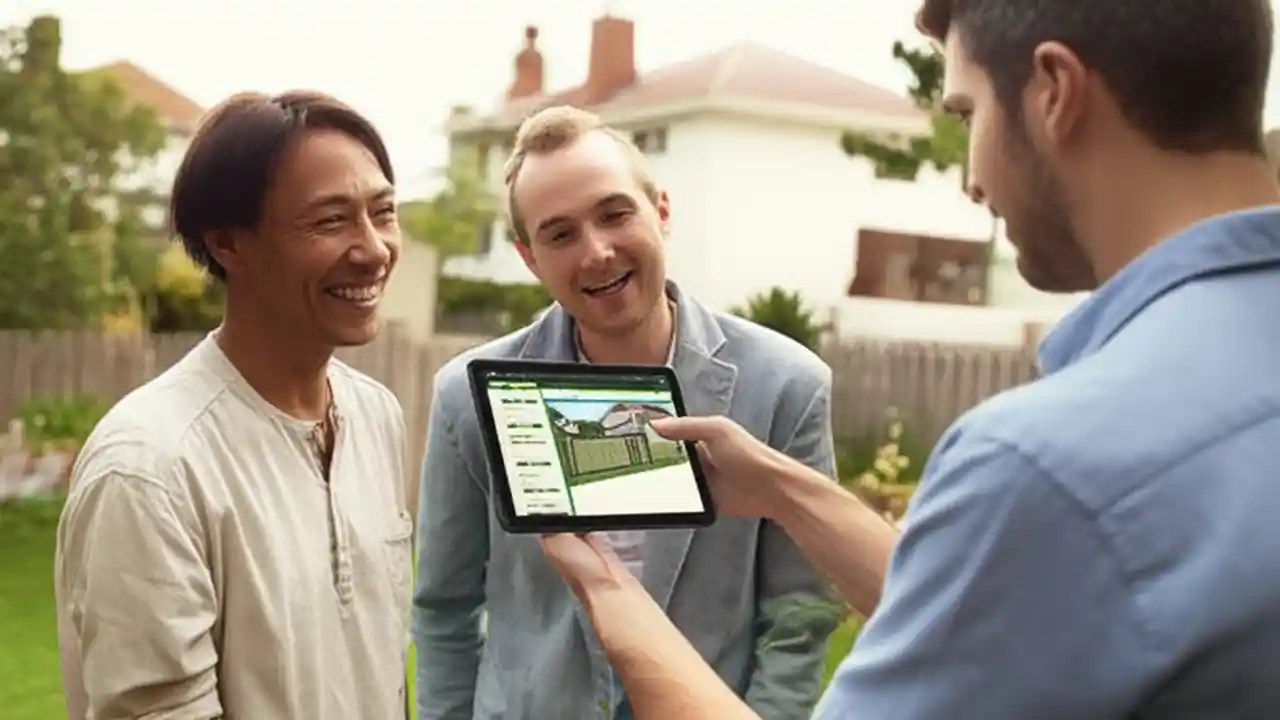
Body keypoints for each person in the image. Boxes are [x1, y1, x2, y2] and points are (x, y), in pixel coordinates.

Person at [538, 0, 1280, 717]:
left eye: (968, 114)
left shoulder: (1045, 465)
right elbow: (999, 620)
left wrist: (608, 590)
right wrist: (785, 491)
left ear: (1055, 93)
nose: (973, 178)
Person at [412, 105, 844, 719]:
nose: (597, 252)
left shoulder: (785, 386)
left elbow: (800, 614)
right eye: (560, 234)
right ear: (529, 258)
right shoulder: (467, 396)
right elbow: (444, 608)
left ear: (660, 211)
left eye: (615, 215)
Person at [53, 91, 414, 719]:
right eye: (330, 221)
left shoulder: (377, 416)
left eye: (382, 212)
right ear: (227, 243)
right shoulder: (150, 469)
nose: (373, 248)